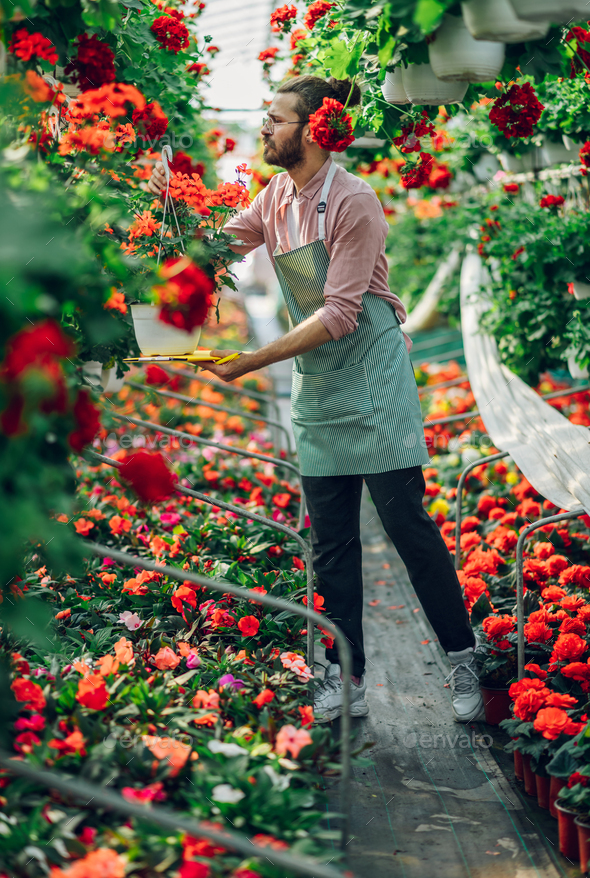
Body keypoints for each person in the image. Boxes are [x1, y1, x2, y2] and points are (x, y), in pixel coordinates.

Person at [147, 74, 482, 725]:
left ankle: (462, 655)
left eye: (275, 119)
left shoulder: (354, 201)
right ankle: (345, 674)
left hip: (369, 377)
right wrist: (157, 223)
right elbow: (220, 246)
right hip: (320, 385)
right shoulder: (274, 196)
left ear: (313, 128)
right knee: (331, 542)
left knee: (407, 526)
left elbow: (339, 313)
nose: (265, 129)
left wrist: (252, 362)